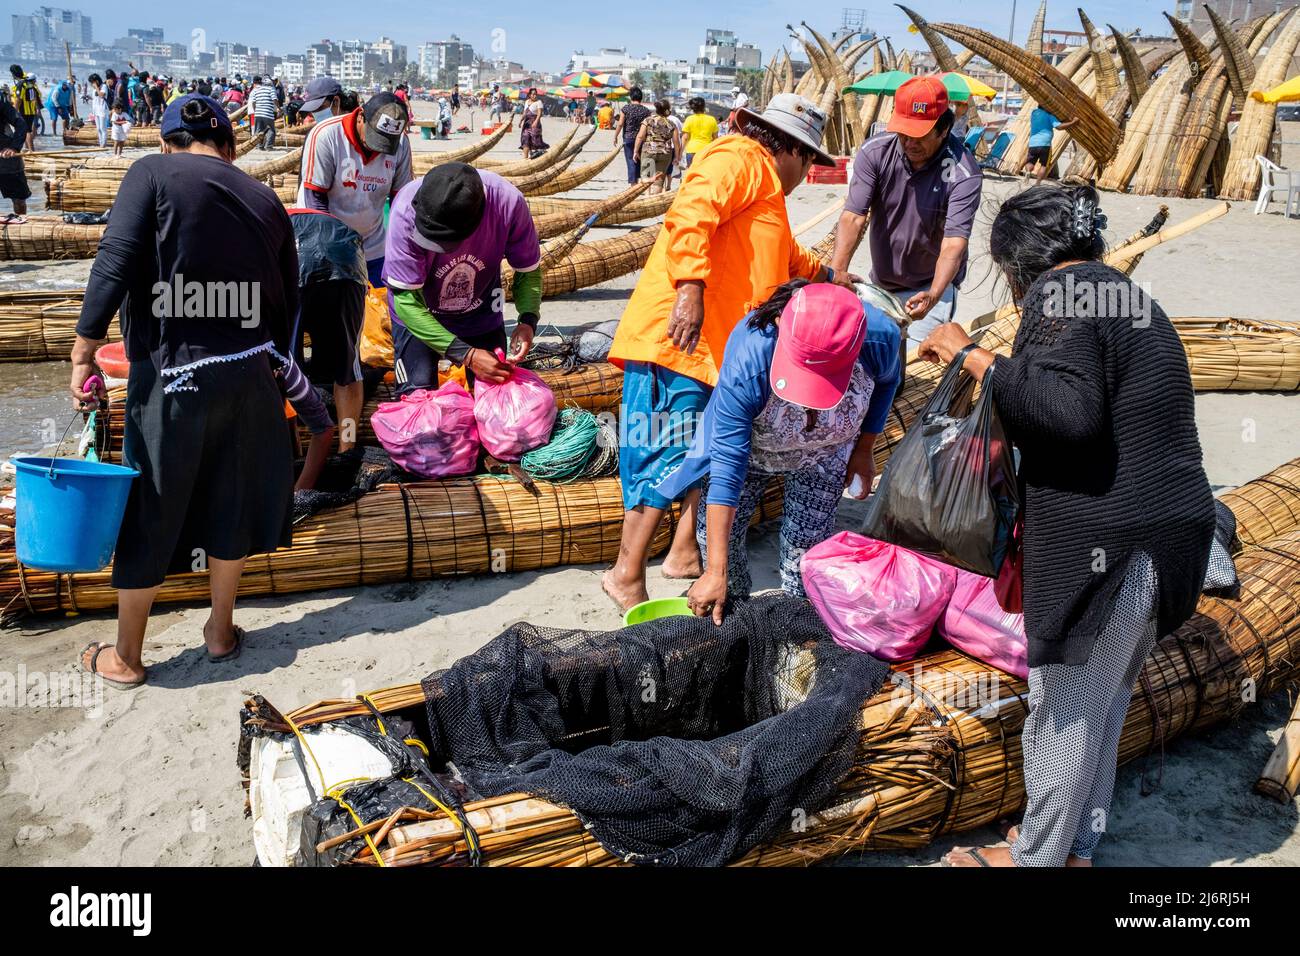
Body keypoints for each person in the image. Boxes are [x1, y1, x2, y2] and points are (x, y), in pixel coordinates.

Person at [916, 183, 1216, 867]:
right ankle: (1074, 848)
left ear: (1019, 266)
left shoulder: (1060, 296)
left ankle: (1038, 862)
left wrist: (973, 356)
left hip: (1109, 547)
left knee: (1063, 716)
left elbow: (1067, 415)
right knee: (1102, 707)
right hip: (1171, 537)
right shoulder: (1129, 297)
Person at [68, 93, 333, 689]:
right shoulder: (264, 198)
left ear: (167, 143)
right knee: (230, 501)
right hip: (249, 375)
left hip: (174, 376)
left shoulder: (151, 172)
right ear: (231, 148)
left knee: (152, 507)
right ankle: (219, 632)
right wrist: (276, 368)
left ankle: (128, 657)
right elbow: (289, 301)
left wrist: (85, 348)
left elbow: (115, 260)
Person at [603, 93, 852, 611]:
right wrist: (690, 288)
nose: (807, 175)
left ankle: (682, 553)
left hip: (717, 350)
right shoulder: (738, 157)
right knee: (658, 450)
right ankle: (625, 574)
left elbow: (785, 257)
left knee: (705, 455)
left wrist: (831, 278)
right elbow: (688, 214)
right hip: (676, 341)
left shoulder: (766, 190)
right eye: (809, 162)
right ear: (794, 151)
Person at [662, 281, 900, 620]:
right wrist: (715, 573)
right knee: (716, 544)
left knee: (805, 550)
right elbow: (728, 468)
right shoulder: (751, 356)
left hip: (826, 455)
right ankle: (738, 615)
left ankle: (796, 625)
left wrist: (864, 448)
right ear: (779, 327)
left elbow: (887, 383)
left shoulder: (879, 336)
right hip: (754, 452)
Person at [830, 75, 983, 345]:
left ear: (944, 129)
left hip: (930, 287)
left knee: (913, 365)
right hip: (880, 285)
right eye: (904, 133)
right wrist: (837, 272)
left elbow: (953, 244)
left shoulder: (963, 173)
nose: (910, 143)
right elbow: (854, 216)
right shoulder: (875, 152)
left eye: (920, 135)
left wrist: (934, 294)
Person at [382, 162, 543, 393]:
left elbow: (528, 271)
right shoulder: (405, 211)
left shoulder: (508, 204)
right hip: (418, 315)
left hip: (481, 311)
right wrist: (467, 355)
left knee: (493, 397)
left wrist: (527, 321)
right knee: (417, 399)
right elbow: (407, 302)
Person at [297, 86, 413, 289]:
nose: (377, 148)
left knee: (376, 312)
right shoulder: (326, 135)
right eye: (375, 138)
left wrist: (401, 251)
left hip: (373, 246)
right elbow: (314, 201)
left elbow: (401, 202)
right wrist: (339, 252)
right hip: (325, 243)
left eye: (386, 143)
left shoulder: (401, 144)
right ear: (360, 116)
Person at [289, 206, 368, 453]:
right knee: (348, 368)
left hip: (296, 252)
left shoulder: (254, 218)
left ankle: (292, 450)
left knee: (282, 363)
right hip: (346, 255)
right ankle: (347, 446)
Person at [1020, 106, 1078, 181]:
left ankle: (1028, 172)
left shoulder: (1034, 113)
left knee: (1030, 162)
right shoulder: (1049, 115)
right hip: (1045, 144)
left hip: (1033, 143)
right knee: (1044, 165)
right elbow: (1059, 127)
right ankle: (1038, 183)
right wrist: (1073, 122)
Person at [634, 99, 679, 195]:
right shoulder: (671, 124)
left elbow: (640, 136)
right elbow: (676, 142)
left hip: (649, 152)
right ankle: (654, 199)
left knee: (647, 177)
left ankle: (647, 198)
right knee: (659, 180)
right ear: (667, 110)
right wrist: (676, 157)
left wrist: (635, 151)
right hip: (665, 154)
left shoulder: (648, 120)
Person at [0, 95, 29, 224]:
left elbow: (21, 124)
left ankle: (21, 225)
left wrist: (14, 148)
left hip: (7, 159)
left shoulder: (2, 105)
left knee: (19, 199)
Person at [613, 87, 650, 184]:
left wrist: (615, 136)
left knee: (631, 161)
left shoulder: (626, 108)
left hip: (628, 138)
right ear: (641, 98)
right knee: (641, 161)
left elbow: (620, 124)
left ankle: (633, 184)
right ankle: (642, 182)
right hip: (642, 139)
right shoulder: (646, 111)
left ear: (631, 97)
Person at [681, 96, 717, 169]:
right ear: (704, 107)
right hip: (706, 151)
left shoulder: (689, 119)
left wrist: (680, 152)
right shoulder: (712, 119)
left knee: (691, 174)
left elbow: (685, 138)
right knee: (705, 174)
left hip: (692, 151)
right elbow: (715, 138)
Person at [10, 65, 40, 151]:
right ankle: (28, 149)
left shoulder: (21, 84)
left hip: (23, 112)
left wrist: (14, 112)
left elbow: (18, 100)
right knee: (28, 130)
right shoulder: (29, 83)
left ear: (14, 74)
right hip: (30, 111)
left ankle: (31, 150)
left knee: (26, 131)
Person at [248, 75, 278, 149]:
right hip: (267, 113)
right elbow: (274, 99)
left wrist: (256, 110)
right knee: (271, 129)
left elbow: (253, 102)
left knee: (258, 130)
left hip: (258, 113)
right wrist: (279, 108)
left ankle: (259, 145)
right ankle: (268, 146)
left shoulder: (257, 90)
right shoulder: (271, 89)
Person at [519, 87, 544, 158]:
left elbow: (539, 114)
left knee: (534, 139)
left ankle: (535, 155)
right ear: (529, 95)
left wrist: (536, 121)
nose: (534, 96)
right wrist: (521, 121)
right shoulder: (527, 102)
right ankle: (525, 158)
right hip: (526, 123)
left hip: (534, 123)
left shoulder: (539, 102)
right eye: (533, 94)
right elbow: (525, 112)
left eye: (535, 94)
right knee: (525, 138)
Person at [88, 73, 109, 147]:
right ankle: (101, 143)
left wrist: (96, 87)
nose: (91, 84)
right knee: (98, 128)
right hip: (96, 110)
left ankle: (104, 144)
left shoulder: (104, 86)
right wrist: (88, 97)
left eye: (92, 82)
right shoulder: (94, 89)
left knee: (103, 128)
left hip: (102, 109)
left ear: (96, 81)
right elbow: (95, 98)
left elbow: (102, 95)